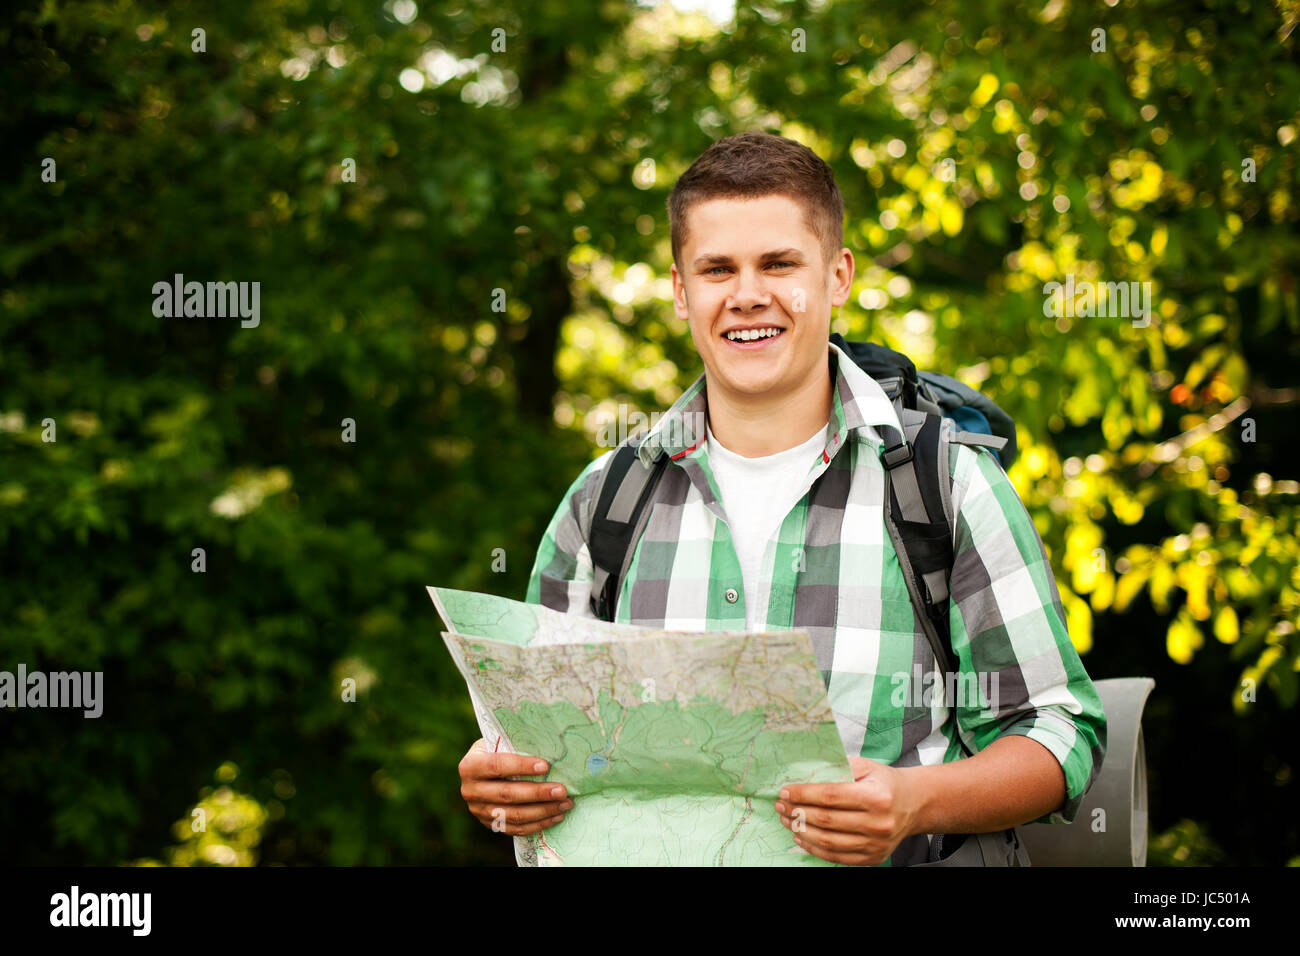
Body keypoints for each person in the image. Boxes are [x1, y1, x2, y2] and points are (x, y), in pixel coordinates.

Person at [457, 130, 1107, 866]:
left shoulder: (944, 486)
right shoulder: (605, 501)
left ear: (837, 277)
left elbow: (1058, 732)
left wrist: (913, 802)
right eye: (716, 269)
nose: (746, 295)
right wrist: (505, 779)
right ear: (680, 290)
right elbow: (540, 745)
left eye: (778, 264)